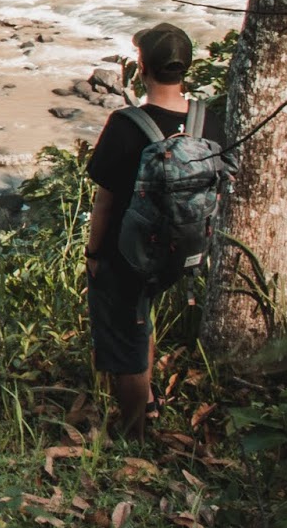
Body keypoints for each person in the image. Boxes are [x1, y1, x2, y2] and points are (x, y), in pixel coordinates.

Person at [85, 22, 222, 440]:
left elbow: (105, 201)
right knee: (140, 318)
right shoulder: (207, 121)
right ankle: (146, 401)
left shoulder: (126, 125)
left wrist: (93, 255)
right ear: (185, 68)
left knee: (126, 344)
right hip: (180, 252)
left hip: (126, 254)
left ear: (140, 68)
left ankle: (133, 433)